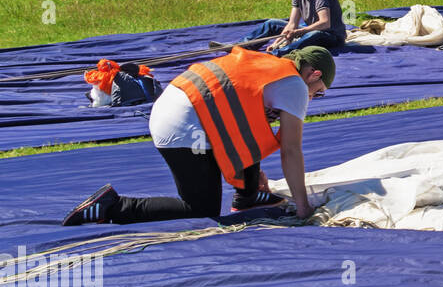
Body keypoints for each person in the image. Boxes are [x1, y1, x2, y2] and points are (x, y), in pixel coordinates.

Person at [61, 45, 335, 226]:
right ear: (314, 74)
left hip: (177, 106)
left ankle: (247, 195)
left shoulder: (268, 65)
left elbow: (244, 119)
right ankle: (113, 207)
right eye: (318, 91)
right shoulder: (296, 85)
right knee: (200, 209)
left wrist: (253, 175)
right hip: (183, 126)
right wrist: (303, 207)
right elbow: (291, 150)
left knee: (251, 125)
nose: (314, 97)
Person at [243, 0, 347, 56]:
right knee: (272, 24)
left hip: (333, 36)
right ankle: (242, 45)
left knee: (313, 34)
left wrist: (299, 31)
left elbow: (325, 23)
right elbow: (292, 24)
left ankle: (280, 53)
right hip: (312, 32)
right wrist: (277, 42)